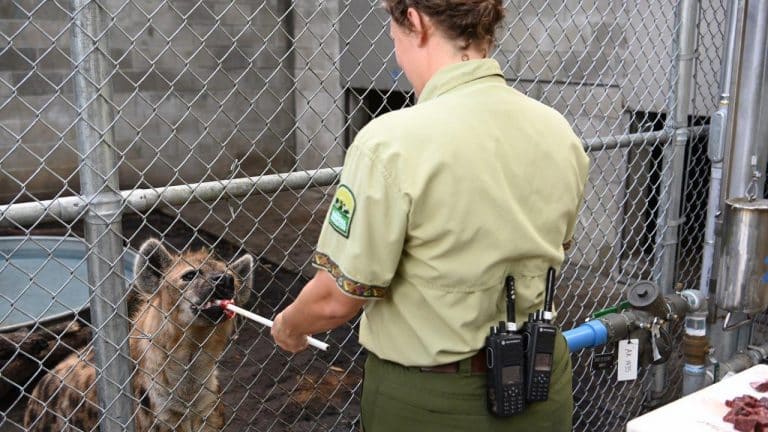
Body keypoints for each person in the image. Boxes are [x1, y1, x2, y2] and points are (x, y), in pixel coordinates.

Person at [271, 0, 590, 430]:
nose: (398, 58)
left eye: (394, 38)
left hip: (431, 402)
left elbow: (335, 299)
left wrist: (289, 327)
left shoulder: (389, 143)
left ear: (416, 24)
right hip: (541, 383)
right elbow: (555, 248)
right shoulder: (559, 133)